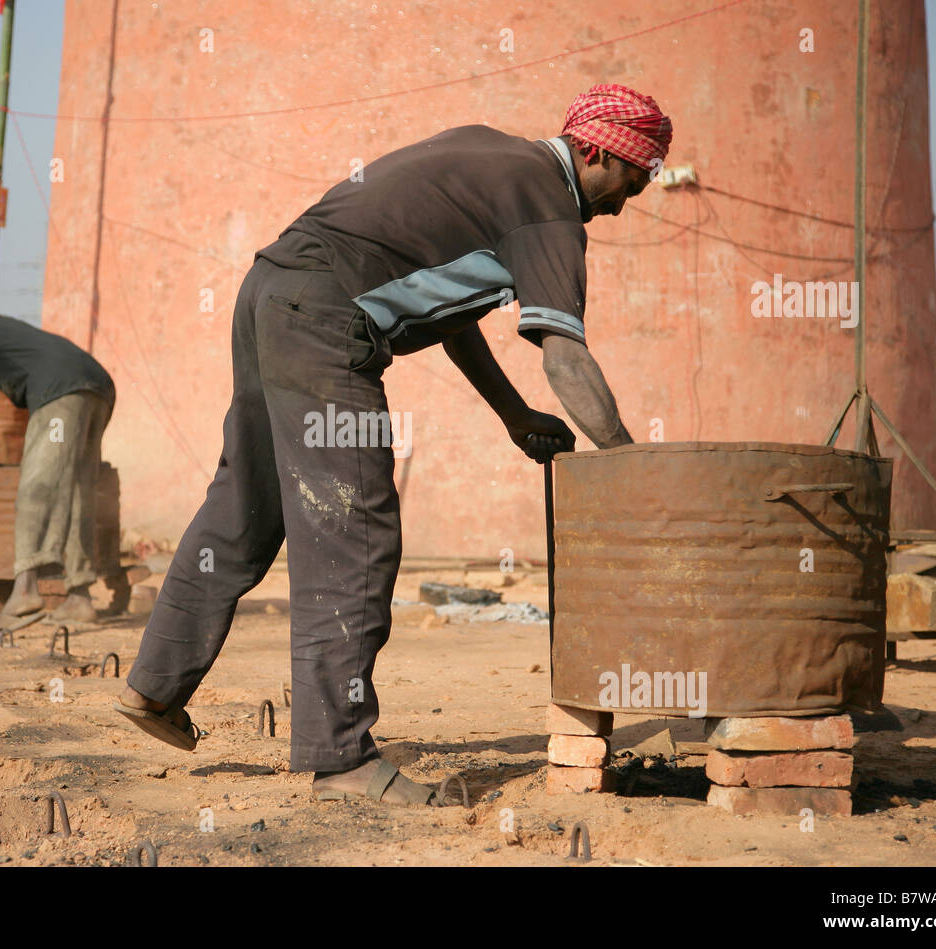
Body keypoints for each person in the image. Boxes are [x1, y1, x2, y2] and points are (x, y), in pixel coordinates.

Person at [115, 84, 671, 805]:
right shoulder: (551, 209)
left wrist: (509, 412)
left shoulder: (488, 150)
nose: (624, 204)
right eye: (629, 183)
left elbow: (446, 307)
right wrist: (629, 460)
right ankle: (341, 760)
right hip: (325, 315)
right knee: (356, 533)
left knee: (245, 506)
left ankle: (153, 687)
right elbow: (564, 355)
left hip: (270, 289)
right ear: (597, 151)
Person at [0, 314, 116, 626]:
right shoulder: (19, 342)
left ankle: (26, 588)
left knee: (37, 488)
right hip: (100, 388)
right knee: (79, 490)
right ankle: (80, 597)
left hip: (62, 395)